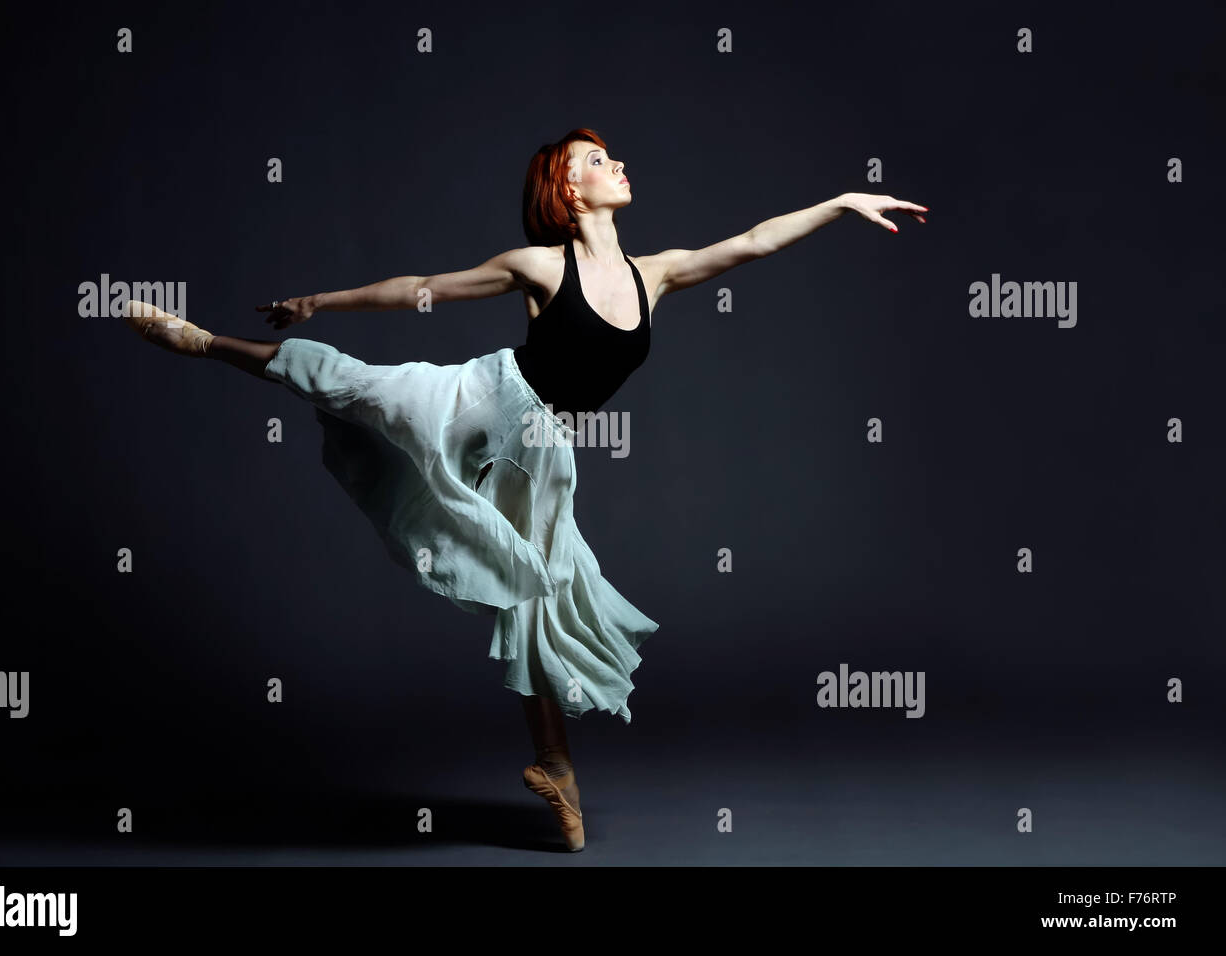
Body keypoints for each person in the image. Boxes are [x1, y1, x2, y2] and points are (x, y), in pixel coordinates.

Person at [123, 126, 927, 851]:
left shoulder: (659, 275)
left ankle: (557, 770)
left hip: (542, 452)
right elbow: (421, 287)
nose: (617, 164)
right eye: (597, 160)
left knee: (534, 596)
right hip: (481, 400)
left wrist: (842, 200)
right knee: (355, 385)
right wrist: (316, 301)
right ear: (570, 190)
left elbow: (754, 242)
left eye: (611, 156)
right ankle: (203, 343)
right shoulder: (542, 266)